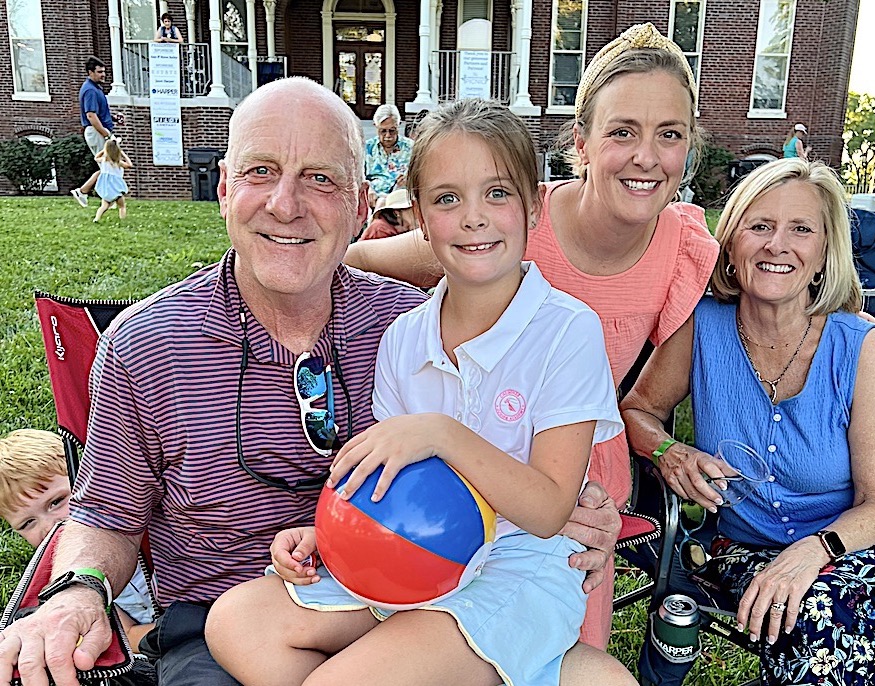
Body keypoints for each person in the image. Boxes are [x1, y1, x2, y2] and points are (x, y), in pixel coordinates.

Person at [0, 77, 627, 686]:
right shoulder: (147, 344)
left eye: (319, 179)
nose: (286, 204)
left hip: (420, 577)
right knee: (233, 625)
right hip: (248, 604)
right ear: (222, 189)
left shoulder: (391, 321)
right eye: (260, 172)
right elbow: (105, 514)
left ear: (361, 208)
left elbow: (518, 481)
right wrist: (74, 592)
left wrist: (583, 512)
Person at [207, 98, 633, 686]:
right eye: (447, 198)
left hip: (520, 570)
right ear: (420, 220)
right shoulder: (404, 338)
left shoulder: (566, 330)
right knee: (234, 621)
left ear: (535, 203)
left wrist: (442, 434)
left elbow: (548, 510)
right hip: (416, 559)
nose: (474, 218)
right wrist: (335, 535)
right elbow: (389, 487)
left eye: (498, 193)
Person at [344, 22, 720, 647]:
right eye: (622, 132)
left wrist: (662, 451)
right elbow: (376, 255)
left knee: (556, 644)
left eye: (670, 135)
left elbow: (645, 408)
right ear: (583, 142)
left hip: (580, 482)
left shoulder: (682, 250)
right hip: (481, 462)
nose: (646, 157)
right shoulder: (510, 218)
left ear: (688, 148)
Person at [621, 157, 875, 685]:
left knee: (812, 608)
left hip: (870, 541)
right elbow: (637, 409)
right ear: (732, 242)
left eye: (801, 230)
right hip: (744, 546)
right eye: (760, 226)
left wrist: (812, 554)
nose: (776, 245)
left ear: (824, 253)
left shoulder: (860, 345)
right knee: (806, 615)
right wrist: (667, 452)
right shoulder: (702, 325)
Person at [0, 429, 156, 648]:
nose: (49, 526)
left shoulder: (147, 527)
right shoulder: (58, 581)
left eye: (56, 502)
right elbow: (126, 636)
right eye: (27, 523)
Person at [71, 57, 124, 208]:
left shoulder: (96, 88)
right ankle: (83, 192)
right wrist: (106, 134)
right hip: (96, 132)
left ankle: (106, 198)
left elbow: (99, 113)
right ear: (90, 72)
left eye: (104, 71)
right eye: (99, 72)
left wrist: (113, 117)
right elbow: (91, 116)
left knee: (109, 167)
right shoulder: (90, 90)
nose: (103, 75)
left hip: (99, 131)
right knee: (108, 167)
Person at [364, 103, 413, 208]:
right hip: (372, 196)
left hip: (400, 198)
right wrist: (368, 189)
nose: (387, 136)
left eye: (392, 131)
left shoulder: (411, 148)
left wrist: (409, 180)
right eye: (383, 131)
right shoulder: (367, 148)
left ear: (398, 125)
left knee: (383, 203)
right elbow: (358, 176)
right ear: (375, 127)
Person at [92, 137, 132, 222]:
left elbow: (96, 158)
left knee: (104, 206)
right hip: (116, 188)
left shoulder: (103, 160)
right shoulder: (118, 162)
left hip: (107, 188)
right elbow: (129, 165)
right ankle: (123, 220)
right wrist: (123, 154)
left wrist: (103, 150)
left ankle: (97, 218)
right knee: (122, 206)